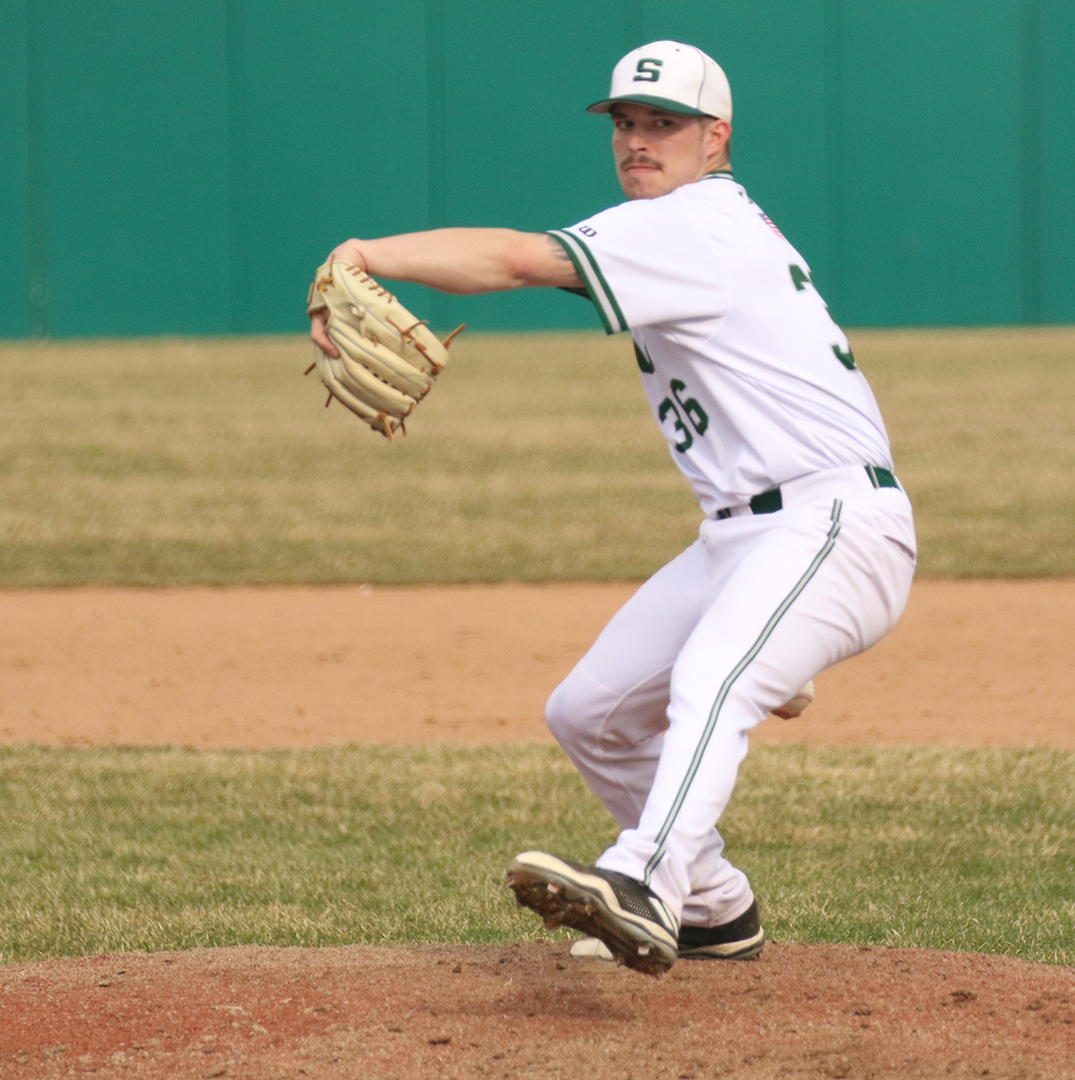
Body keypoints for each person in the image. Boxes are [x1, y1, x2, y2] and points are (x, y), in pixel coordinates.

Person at [309, 40, 916, 975]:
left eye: (663, 124)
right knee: (588, 711)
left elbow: (516, 259)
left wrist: (364, 253)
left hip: (831, 522)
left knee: (711, 678)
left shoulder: (693, 224)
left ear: (716, 138)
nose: (638, 140)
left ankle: (645, 879)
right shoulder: (694, 225)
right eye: (626, 123)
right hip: (752, 537)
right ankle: (715, 903)